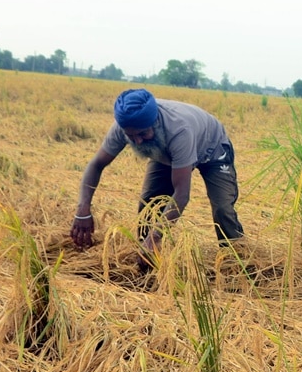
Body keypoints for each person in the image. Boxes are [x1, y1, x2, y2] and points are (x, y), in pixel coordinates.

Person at [70, 89, 244, 264]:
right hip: (166, 152)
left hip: (212, 150)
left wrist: (156, 236)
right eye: (131, 136)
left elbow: (181, 194)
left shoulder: (179, 129)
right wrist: (82, 209)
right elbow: (96, 165)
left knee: (223, 209)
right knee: (149, 205)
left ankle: (237, 261)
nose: (138, 141)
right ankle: (148, 260)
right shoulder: (124, 126)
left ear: (156, 122)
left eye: (143, 134)